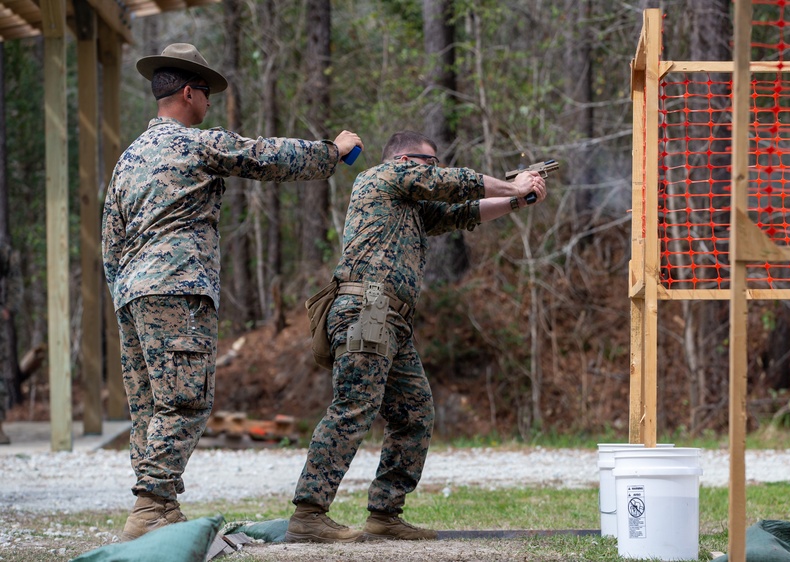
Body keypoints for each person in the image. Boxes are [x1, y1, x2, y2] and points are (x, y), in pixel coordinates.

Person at [101, 43, 362, 541]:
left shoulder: (128, 159)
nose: (208, 104)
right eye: (205, 94)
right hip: (179, 289)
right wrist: (332, 151)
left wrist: (123, 295)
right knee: (185, 401)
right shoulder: (194, 144)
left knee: (150, 406)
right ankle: (151, 505)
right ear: (187, 92)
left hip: (133, 294)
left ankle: (160, 505)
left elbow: (110, 241)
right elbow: (263, 156)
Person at [286, 130, 547, 543]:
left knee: (415, 413)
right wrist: (513, 182)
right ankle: (309, 512)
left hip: (390, 320)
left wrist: (517, 198)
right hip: (368, 307)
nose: (435, 171)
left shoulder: (406, 206)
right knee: (354, 406)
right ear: (404, 162)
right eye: (429, 164)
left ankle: (385, 513)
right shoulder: (381, 178)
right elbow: (453, 183)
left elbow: (463, 212)